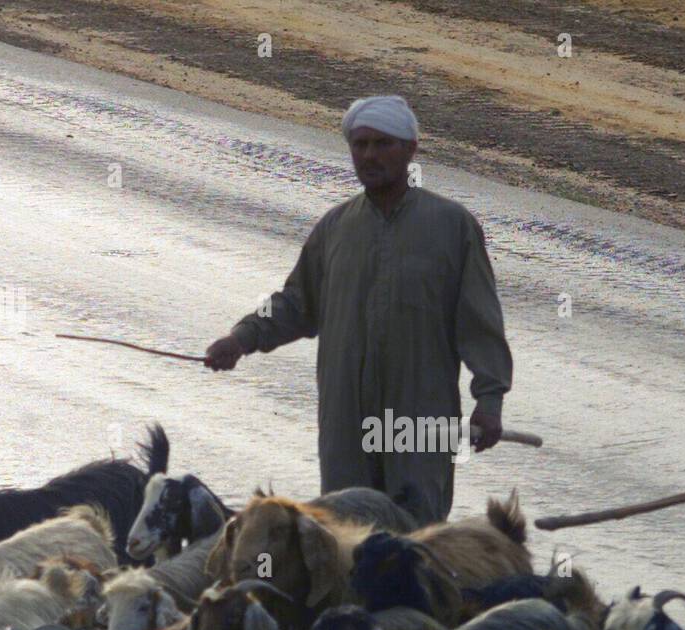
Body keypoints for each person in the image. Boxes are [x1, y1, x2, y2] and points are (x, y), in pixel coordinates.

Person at [204, 95, 513, 526]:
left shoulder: (452, 227)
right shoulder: (335, 228)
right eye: (360, 144)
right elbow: (296, 302)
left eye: (382, 144)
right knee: (344, 535)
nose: (369, 155)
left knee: (417, 536)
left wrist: (490, 399)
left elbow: (480, 323)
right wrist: (241, 339)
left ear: (410, 149)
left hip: (420, 422)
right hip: (345, 421)